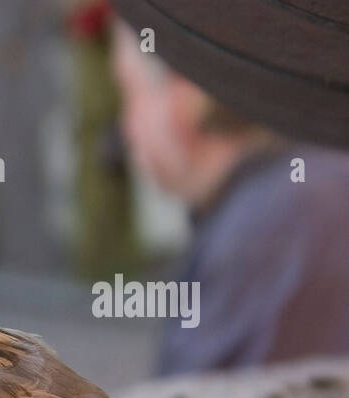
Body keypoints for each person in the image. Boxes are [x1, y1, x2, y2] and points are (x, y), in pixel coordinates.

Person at [112, 20, 349, 374]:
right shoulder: (292, 192)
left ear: (186, 94)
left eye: (130, 94)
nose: (124, 129)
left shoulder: (279, 221)